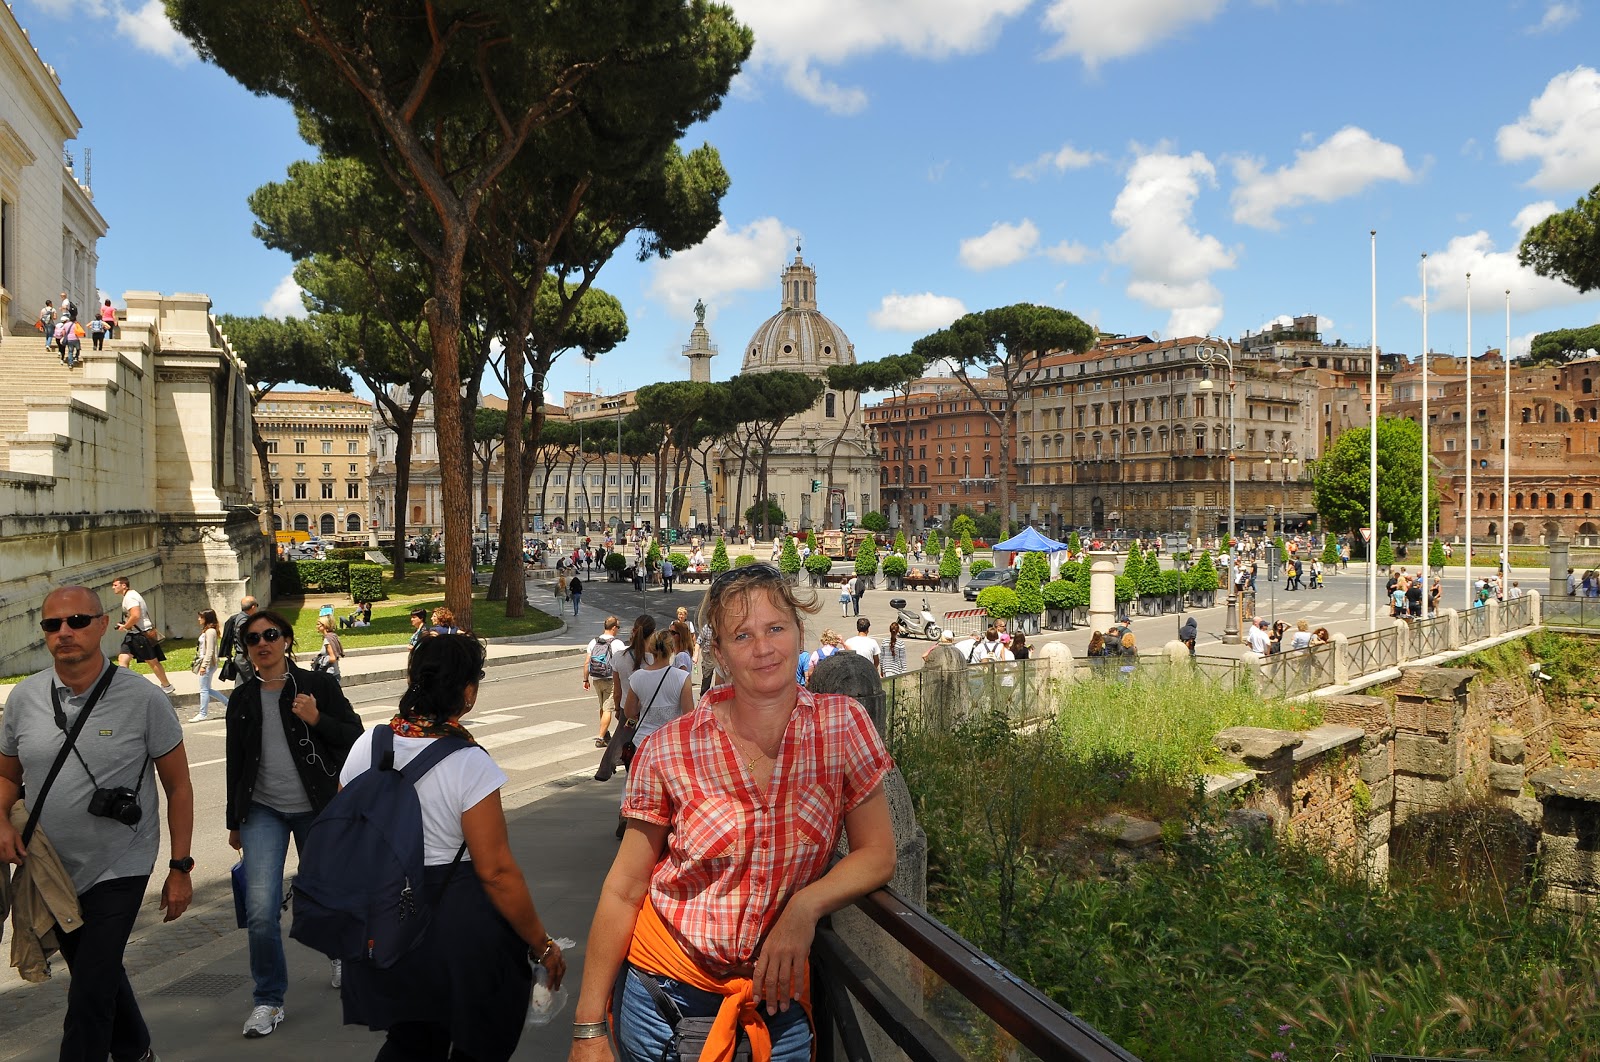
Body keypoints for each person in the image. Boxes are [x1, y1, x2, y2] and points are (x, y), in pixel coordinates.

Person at [567, 563, 895, 1062]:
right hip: (662, 1000)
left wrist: (804, 908)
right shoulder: (672, 749)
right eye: (742, 635)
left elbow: (877, 853)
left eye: (776, 628)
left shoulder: (841, 727)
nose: (764, 648)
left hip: (775, 1003)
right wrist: (588, 1029)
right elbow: (624, 889)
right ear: (718, 652)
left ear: (799, 633)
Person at [341, 635, 566, 1061]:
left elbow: (346, 829)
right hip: (457, 926)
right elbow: (496, 872)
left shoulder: (367, 745)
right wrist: (542, 944)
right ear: (467, 691)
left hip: (389, 918)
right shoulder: (469, 763)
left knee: (412, 1037)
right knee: (481, 1037)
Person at [0, 584, 195, 1062]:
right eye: (53, 625)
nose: (65, 632)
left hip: (120, 864)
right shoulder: (24, 699)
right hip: (50, 868)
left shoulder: (143, 700)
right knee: (98, 974)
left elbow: (179, 787)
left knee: (89, 989)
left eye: (77, 621)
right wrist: (2, 821)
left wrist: (180, 866)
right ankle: (136, 1051)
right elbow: (7, 775)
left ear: (104, 624)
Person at [225, 608, 363, 1038]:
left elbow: (355, 735)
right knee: (261, 911)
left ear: (286, 640)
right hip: (262, 810)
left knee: (328, 895)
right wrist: (235, 821)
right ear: (246, 649)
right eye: (252, 639)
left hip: (316, 807)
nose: (262, 644)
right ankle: (268, 1000)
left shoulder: (317, 685)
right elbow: (236, 764)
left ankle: (340, 952)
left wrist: (316, 718)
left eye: (270, 635)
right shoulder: (242, 700)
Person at [111, 576, 175, 694]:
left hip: (140, 635)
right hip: (133, 634)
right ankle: (125, 686)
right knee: (123, 658)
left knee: (152, 661)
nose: (113, 588)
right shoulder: (130, 596)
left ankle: (167, 685)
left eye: (115, 585)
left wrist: (125, 626)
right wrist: (126, 626)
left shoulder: (130, 597)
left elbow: (136, 615)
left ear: (123, 585)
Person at [585, 616, 623, 748]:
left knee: (602, 707)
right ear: (613, 628)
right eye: (618, 627)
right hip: (609, 679)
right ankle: (600, 738)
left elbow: (587, 662)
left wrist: (585, 679)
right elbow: (623, 661)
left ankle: (605, 733)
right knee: (608, 709)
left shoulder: (594, 642)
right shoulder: (617, 643)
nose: (618, 630)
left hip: (596, 678)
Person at [191, 609, 230, 722]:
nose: (198, 619)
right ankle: (228, 703)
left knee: (204, 689)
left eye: (200, 617)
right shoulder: (208, 631)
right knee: (207, 689)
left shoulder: (210, 631)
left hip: (208, 663)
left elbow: (210, 651)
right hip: (206, 662)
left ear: (206, 618)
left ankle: (203, 713)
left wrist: (204, 665)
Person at [220, 596, 259, 684]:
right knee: (253, 685)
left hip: (240, 658)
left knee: (240, 686)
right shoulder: (245, 622)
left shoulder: (238, 618)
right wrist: (255, 663)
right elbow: (248, 644)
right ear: (253, 607)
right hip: (246, 659)